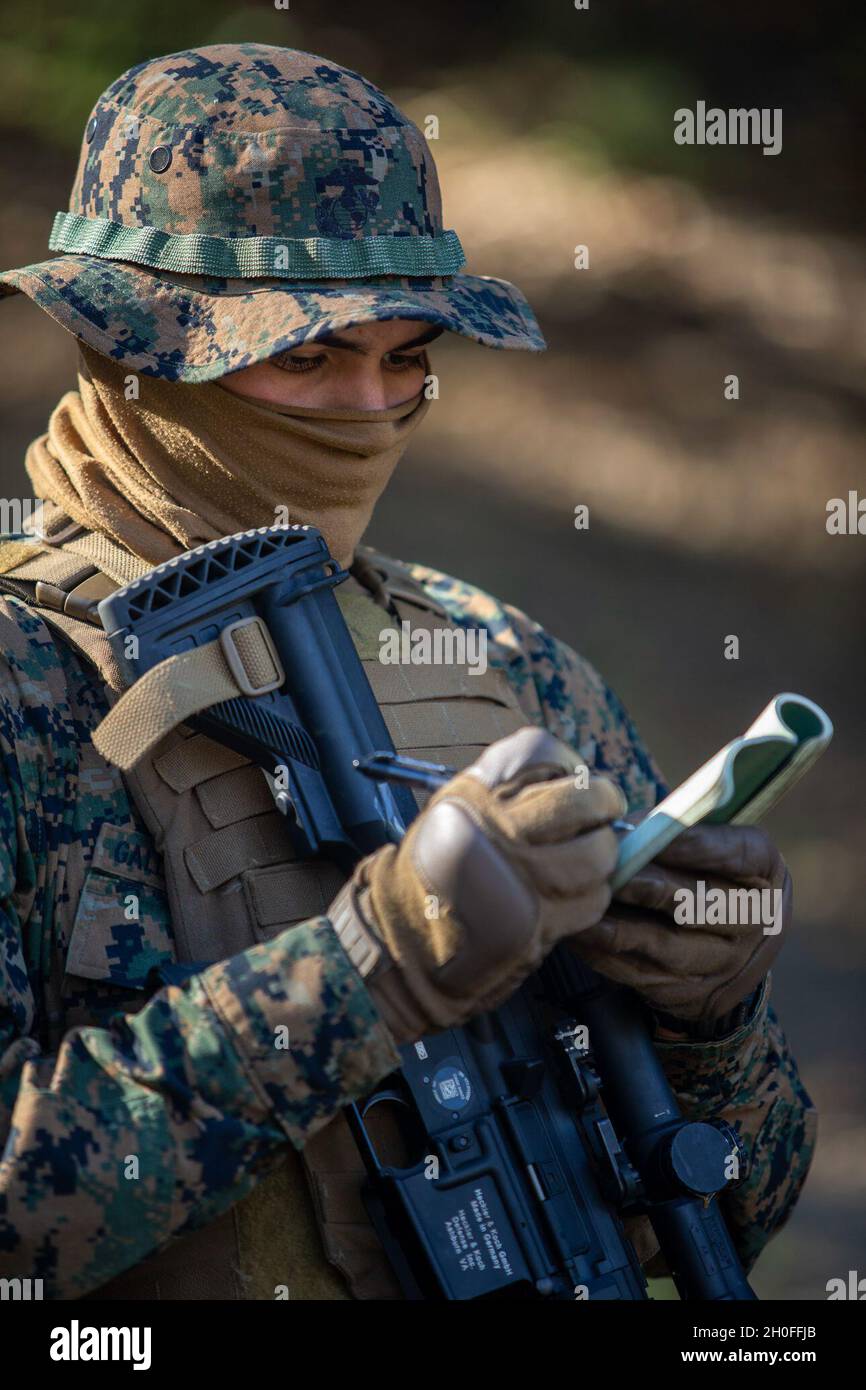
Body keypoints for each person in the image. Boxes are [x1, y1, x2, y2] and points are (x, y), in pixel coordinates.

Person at [0, 43, 815, 1301]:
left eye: (406, 357)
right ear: (128, 347)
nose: (367, 407)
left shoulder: (506, 663)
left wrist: (713, 1018)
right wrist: (365, 973)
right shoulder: (28, 684)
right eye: (306, 357)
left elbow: (734, 1217)